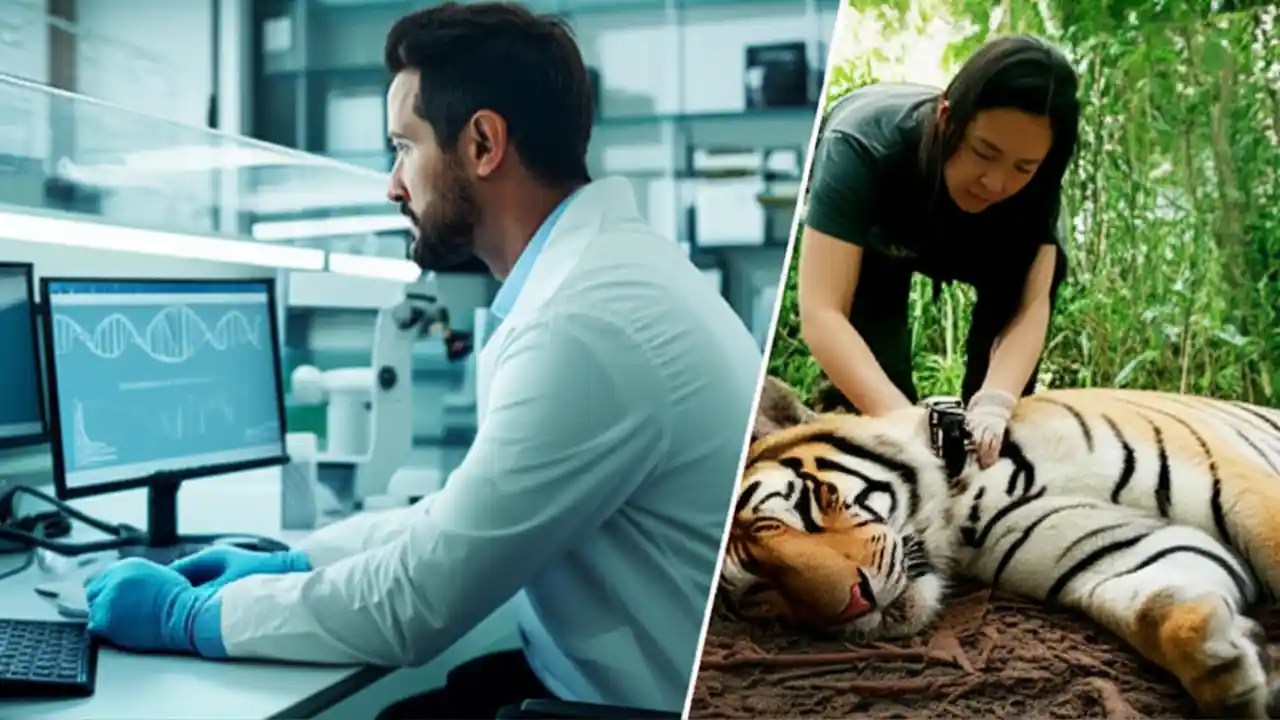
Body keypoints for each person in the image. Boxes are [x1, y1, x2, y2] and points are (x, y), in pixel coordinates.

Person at [80, 3, 764, 718]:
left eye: (403, 147)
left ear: (482, 143)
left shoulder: (586, 324)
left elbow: (416, 601)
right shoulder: (603, 278)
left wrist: (191, 621)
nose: (392, 184)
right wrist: (296, 561)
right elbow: (457, 521)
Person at [797, 34, 1080, 468]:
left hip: (990, 248)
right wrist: (906, 423)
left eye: (1023, 167)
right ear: (947, 118)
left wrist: (997, 402)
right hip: (880, 237)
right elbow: (823, 312)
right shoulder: (860, 148)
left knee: (996, 427)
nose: (996, 183)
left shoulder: (1038, 189)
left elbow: (1028, 307)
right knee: (874, 402)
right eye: (985, 152)